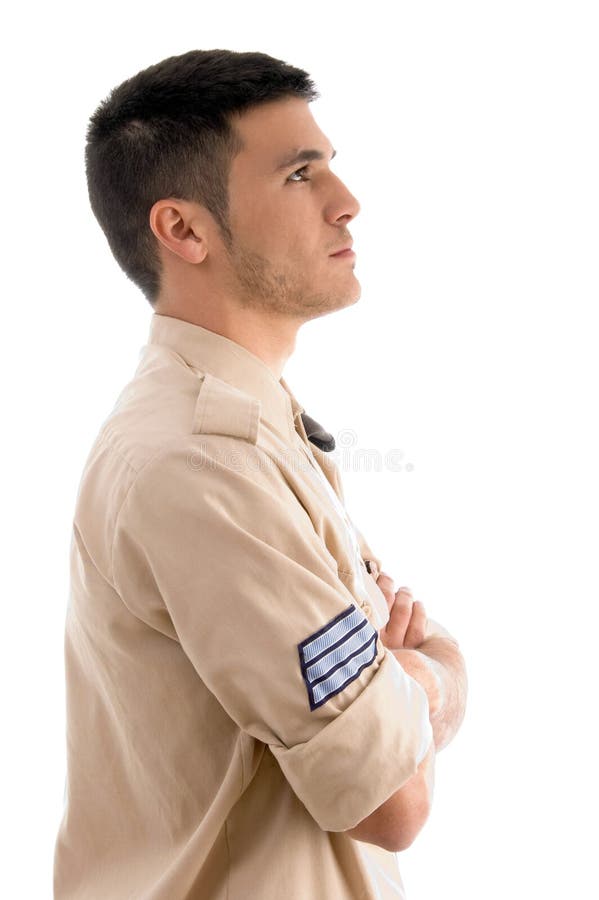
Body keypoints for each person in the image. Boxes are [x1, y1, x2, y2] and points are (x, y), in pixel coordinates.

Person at [53, 48, 468, 899]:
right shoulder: (198, 463)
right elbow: (389, 800)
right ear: (184, 230)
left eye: (329, 167)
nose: (346, 203)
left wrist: (400, 687)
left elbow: (389, 724)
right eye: (298, 175)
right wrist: (432, 674)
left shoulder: (254, 425)